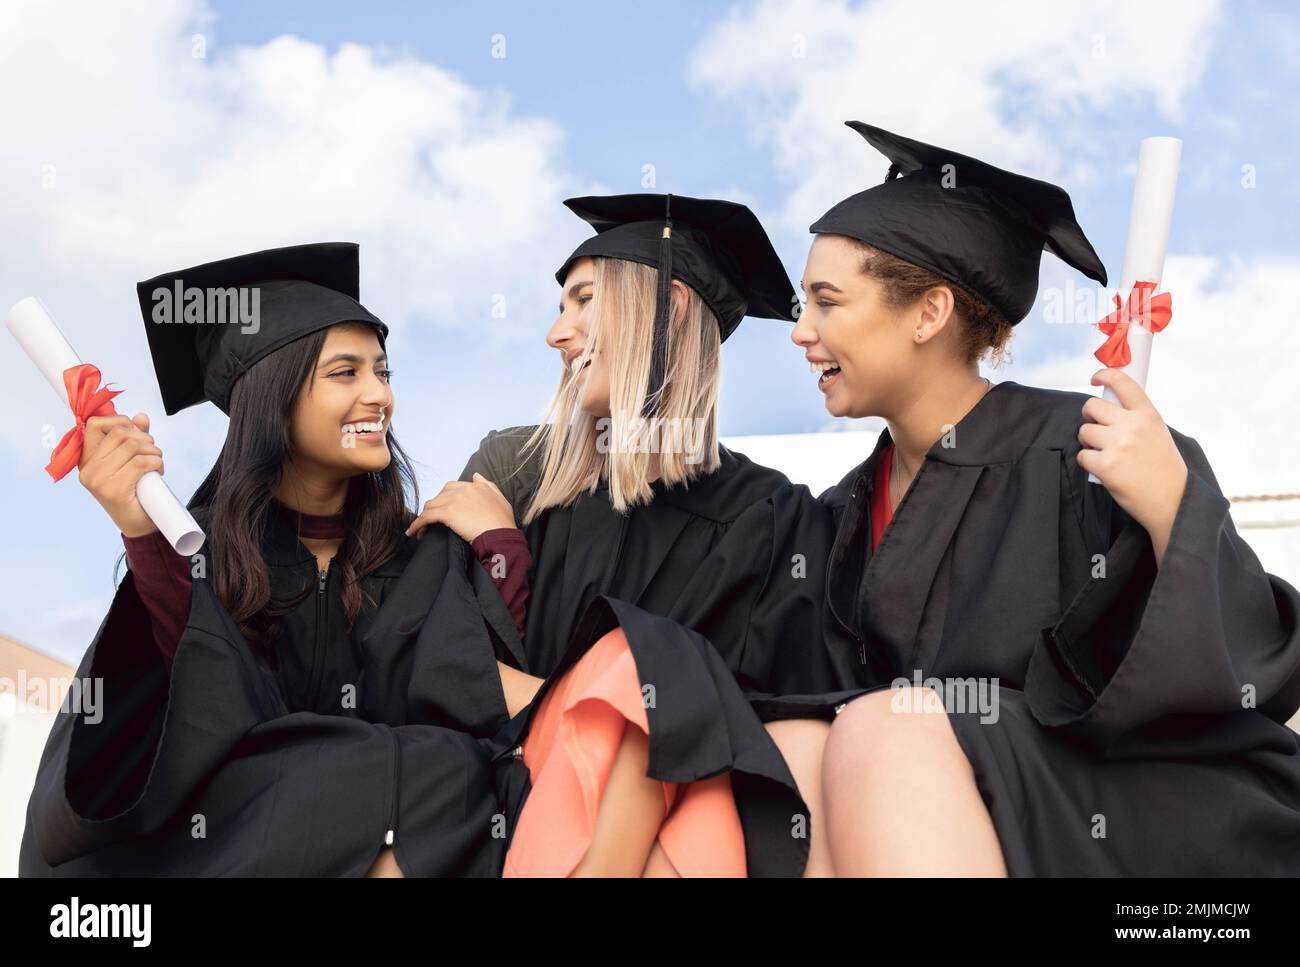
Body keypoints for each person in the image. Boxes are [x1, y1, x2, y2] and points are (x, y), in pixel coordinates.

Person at [792, 123, 1300, 874]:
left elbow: (1252, 670)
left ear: (929, 314)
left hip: (1132, 802)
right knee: (798, 749)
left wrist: (1170, 511)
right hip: (925, 795)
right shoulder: (840, 514)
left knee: (881, 725)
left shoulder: (1091, 450)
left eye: (827, 302)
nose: (802, 331)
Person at [395, 194, 863, 876]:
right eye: (561, 307)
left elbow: (771, 718)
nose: (558, 333)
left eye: (584, 300)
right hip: (510, 791)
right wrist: (504, 548)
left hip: (693, 816)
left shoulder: (773, 515)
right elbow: (432, 664)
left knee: (675, 713)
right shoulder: (518, 471)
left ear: (668, 307)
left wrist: (620, 702)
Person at [19, 243, 515, 876]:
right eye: (346, 373)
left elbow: (471, 701)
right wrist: (143, 537)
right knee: (392, 764)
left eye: (383, 373)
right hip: (221, 847)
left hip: (373, 835)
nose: (378, 396)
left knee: (452, 770)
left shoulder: (416, 554)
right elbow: (205, 705)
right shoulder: (192, 548)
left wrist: (503, 549)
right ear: (275, 396)